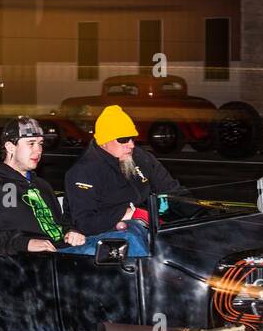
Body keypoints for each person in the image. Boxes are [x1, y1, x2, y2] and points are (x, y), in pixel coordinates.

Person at [64, 104, 186, 258]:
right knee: (134, 238)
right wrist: (127, 214)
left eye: (132, 138)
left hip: (150, 226)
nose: (131, 145)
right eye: (123, 139)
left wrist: (201, 213)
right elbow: (84, 222)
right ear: (104, 141)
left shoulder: (140, 157)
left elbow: (172, 189)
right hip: (108, 237)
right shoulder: (84, 171)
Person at [0, 116, 85, 261]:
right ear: (10, 147)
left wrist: (71, 231)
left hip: (66, 253)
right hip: (34, 264)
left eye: (40, 143)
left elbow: (62, 223)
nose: (38, 150)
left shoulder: (42, 185)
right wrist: (24, 243)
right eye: (31, 144)